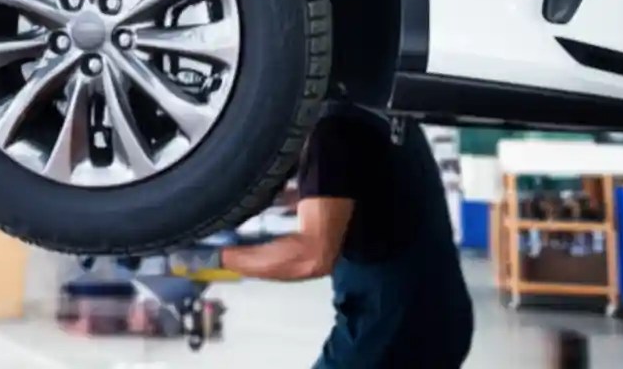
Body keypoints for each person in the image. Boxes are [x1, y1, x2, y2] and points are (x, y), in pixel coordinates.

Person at [169, 107, 474, 368]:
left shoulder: (333, 134)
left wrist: (208, 260)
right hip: (440, 318)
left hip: (390, 331)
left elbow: (311, 257)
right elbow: (348, 196)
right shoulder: (379, 112)